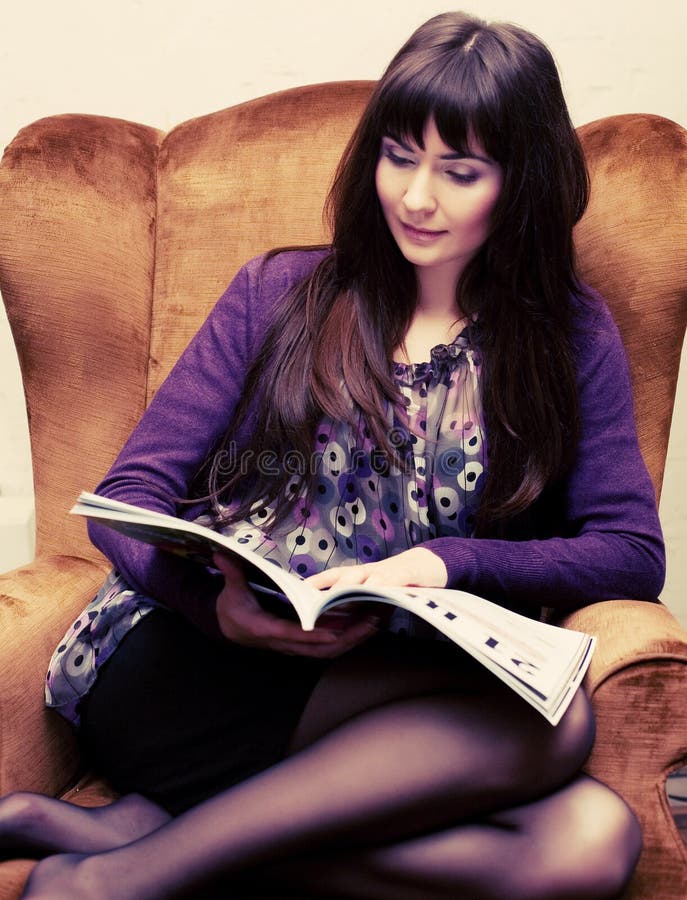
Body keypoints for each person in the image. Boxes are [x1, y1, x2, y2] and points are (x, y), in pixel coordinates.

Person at [0, 10, 665, 899]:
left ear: (521, 184)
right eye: (399, 156)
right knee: (553, 733)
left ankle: (147, 843)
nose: (416, 197)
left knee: (589, 842)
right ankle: (118, 876)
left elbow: (629, 550)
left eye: (459, 172)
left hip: (383, 685)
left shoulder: (565, 333)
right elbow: (129, 497)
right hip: (193, 658)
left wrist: (446, 562)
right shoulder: (277, 292)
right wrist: (213, 609)